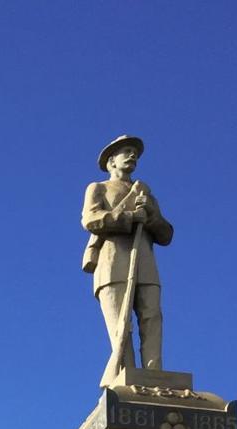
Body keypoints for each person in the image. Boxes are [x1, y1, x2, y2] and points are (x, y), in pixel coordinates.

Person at [82, 134, 173, 372]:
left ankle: (154, 373)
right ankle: (125, 374)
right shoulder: (98, 188)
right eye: (127, 152)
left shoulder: (144, 192)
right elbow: (90, 220)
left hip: (145, 263)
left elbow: (166, 234)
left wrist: (151, 216)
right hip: (112, 262)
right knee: (120, 328)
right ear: (112, 161)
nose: (132, 156)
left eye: (135, 152)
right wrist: (130, 217)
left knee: (152, 317)